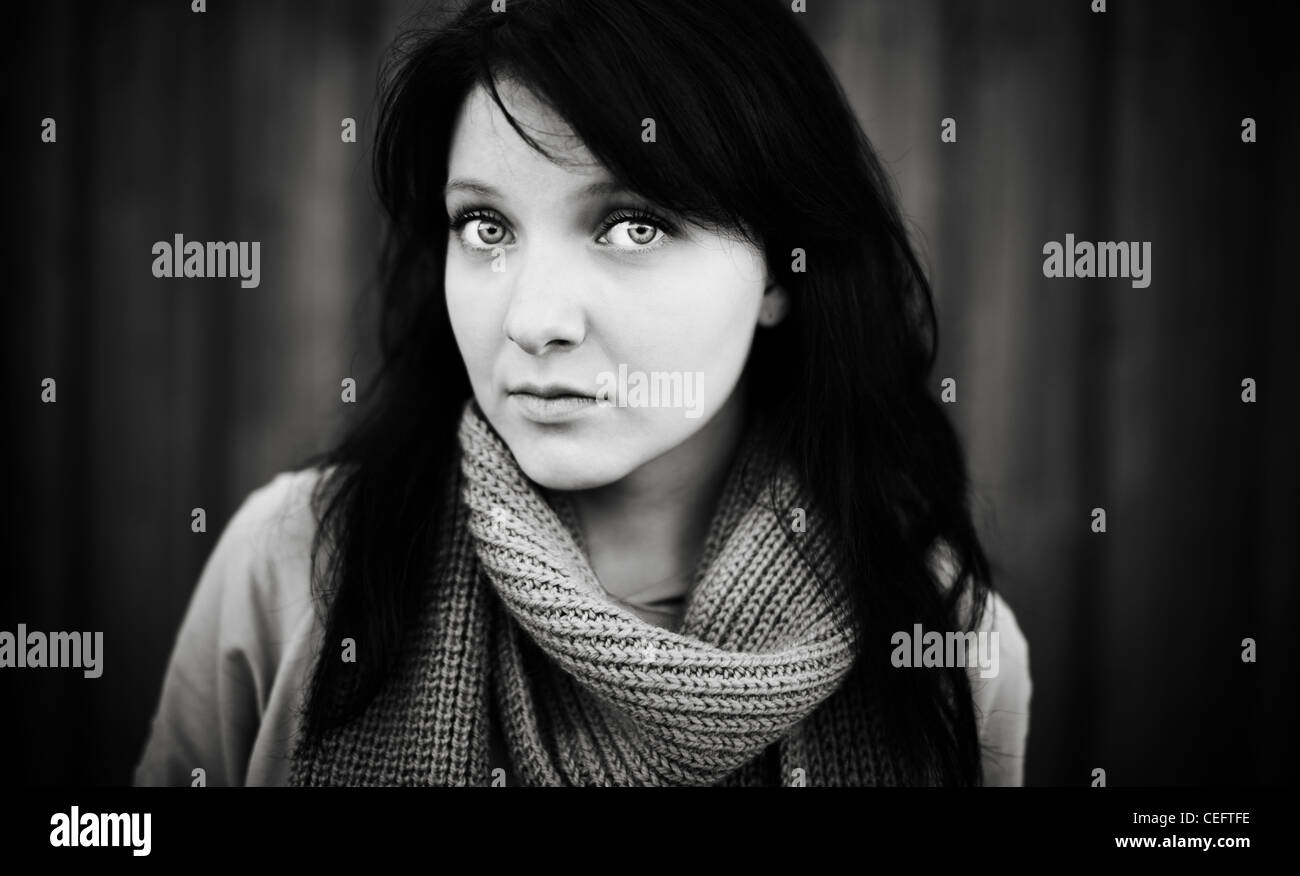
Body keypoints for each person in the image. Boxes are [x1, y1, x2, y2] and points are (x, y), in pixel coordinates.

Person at [135, 0, 1031, 787]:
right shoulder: (296, 566)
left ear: (779, 272)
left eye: (631, 224)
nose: (531, 317)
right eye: (484, 225)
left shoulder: (949, 645)